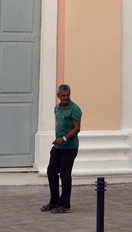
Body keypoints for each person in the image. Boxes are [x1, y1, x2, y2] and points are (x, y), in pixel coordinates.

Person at [42, 84, 81, 214]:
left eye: (67, 95)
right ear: (58, 96)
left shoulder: (75, 109)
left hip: (70, 147)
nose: (65, 98)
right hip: (58, 147)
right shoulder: (57, 109)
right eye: (63, 95)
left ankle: (65, 205)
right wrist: (59, 141)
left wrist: (63, 139)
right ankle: (54, 202)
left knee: (64, 175)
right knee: (51, 172)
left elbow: (77, 128)